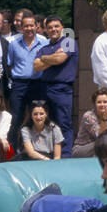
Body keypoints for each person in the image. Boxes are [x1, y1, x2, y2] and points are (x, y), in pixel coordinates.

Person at [32, 15, 78, 153]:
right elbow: (36, 66)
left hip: (62, 89)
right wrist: (51, 58)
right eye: (50, 27)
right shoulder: (45, 47)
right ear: (45, 30)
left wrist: (44, 58)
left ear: (62, 27)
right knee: (47, 124)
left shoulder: (68, 42)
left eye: (56, 26)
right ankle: (51, 153)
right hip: (45, 88)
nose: (53, 29)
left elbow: (60, 59)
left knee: (63, 123)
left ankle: (65, 156)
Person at [72, 88, 107, 158]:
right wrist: (104, 119)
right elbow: (100, 137)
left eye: (105, 102)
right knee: (102, 143)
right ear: (95, 104)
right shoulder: (88, 116)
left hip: (101, 147)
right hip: (81, 149)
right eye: (99, 102)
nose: (102, 105)